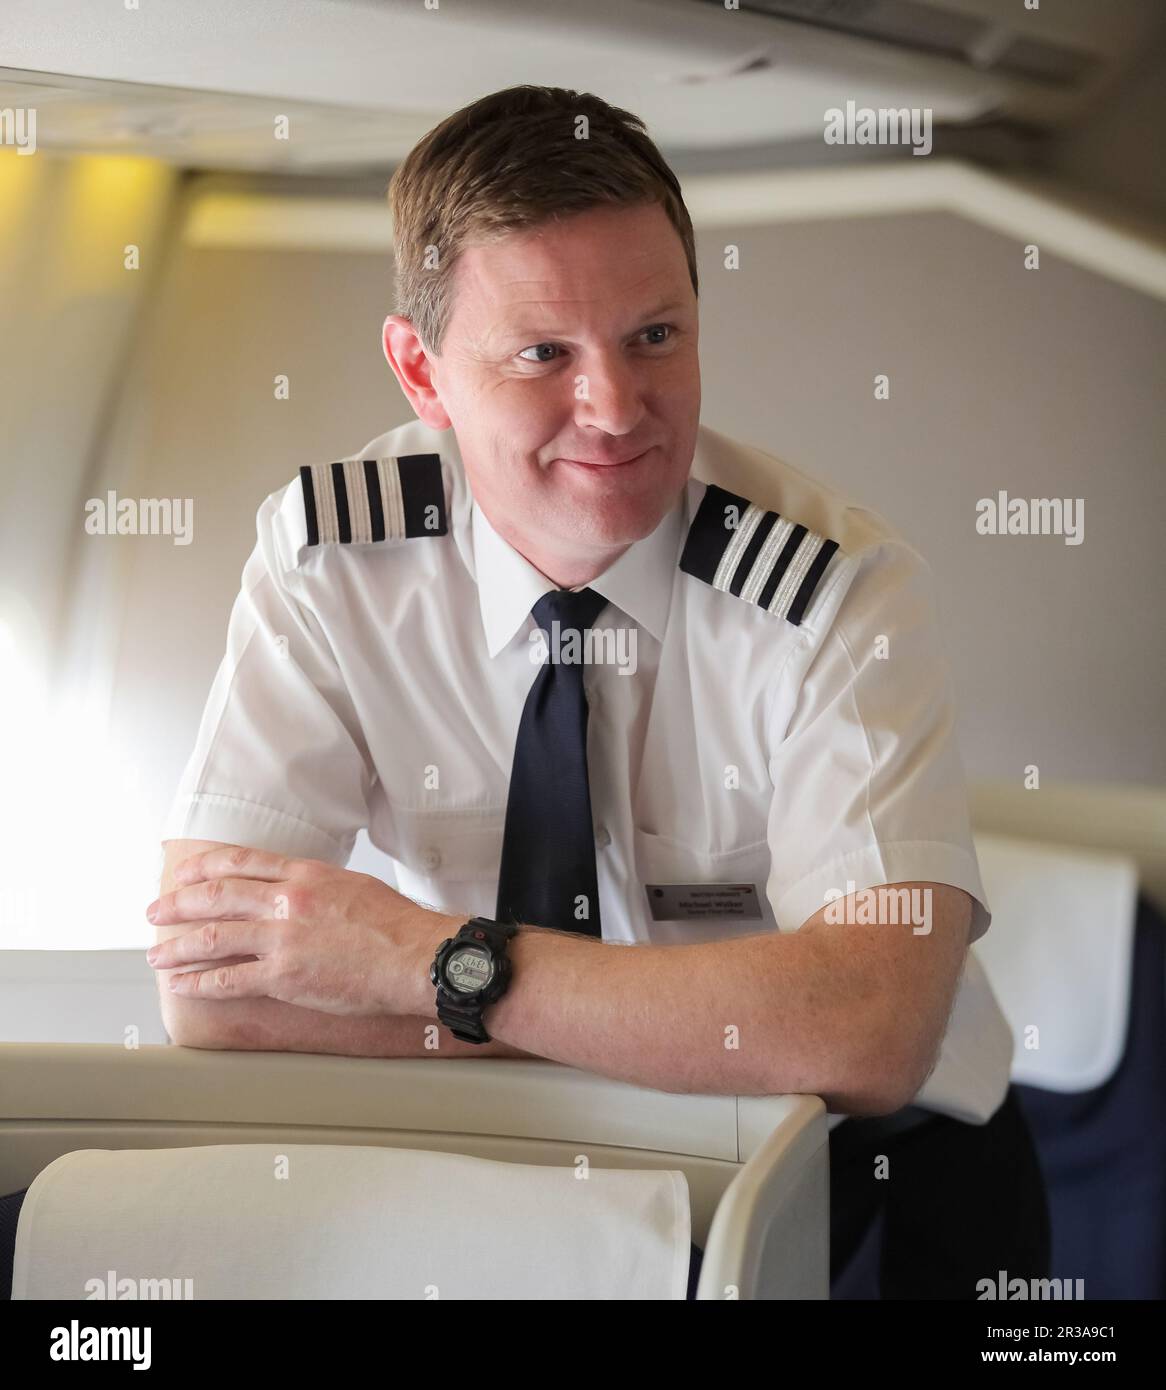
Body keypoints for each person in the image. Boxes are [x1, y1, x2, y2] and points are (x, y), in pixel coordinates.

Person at [3, 85, 1048, 1301]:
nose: (612, 409)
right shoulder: (332, 560)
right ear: (421, 370)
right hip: (531, 1149)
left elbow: (868, 1026)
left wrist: (431, 961)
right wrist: (646, 1015)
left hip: (876, 1177)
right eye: (543, 354)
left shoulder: (830, 591)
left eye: (653, 336)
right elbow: (213, 989)